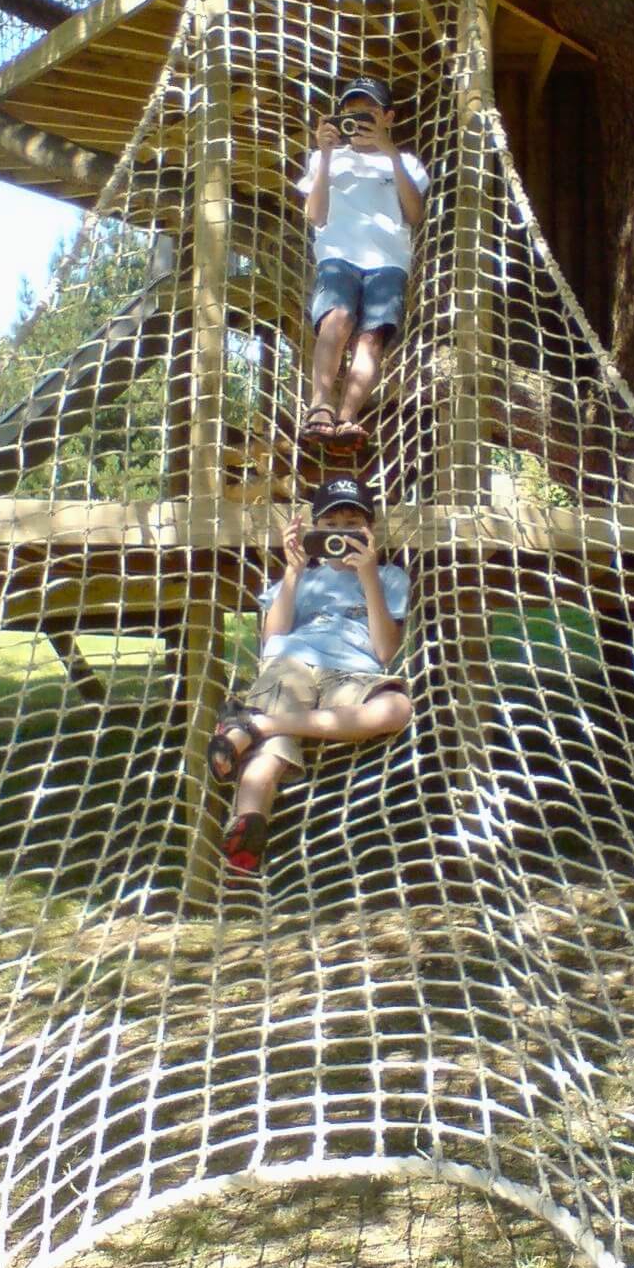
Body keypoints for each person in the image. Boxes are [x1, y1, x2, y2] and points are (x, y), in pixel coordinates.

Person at [207, 475, 412, 876]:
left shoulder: (389, 577)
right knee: (271, 756)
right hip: (293, 661)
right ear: (314, 530)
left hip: (353, 673)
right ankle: (244, 848)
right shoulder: (306, 577)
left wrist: (368, 576)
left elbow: (386, 651)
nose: (339, 536)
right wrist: (293, 572)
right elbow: (272, 642)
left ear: (369, 531)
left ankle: (254, 724)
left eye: (351, 525)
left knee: (397, 708)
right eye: (329, 527)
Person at [297, 76, 429, 454]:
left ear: (387, 117)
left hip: (388, 262)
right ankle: (320, 404)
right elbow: (315, 215)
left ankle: (347, 417)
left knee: (371, 338)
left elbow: (414, 213)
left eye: (368, 113)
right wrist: (323, 155)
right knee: (336, 319)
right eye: (350, 114)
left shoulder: (404, 162)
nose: (357, 121)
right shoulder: (330, 159)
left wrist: (389, 154)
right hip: (338, 255)